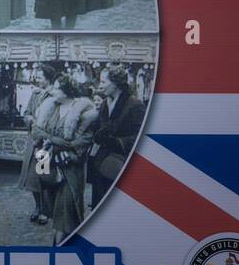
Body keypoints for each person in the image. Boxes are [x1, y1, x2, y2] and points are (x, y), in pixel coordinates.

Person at [41, 74, 99, 245]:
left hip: (70, 168)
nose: (53, 91)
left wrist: (66, 149)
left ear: (66, 92)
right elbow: (40, 133)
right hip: (50, 164)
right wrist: (50, 143)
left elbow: (85, 141)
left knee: (66, 209)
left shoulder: (84, 112)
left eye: (57, 87)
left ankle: (59, 247)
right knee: (53, 206)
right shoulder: (53, 108)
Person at [89, 66, 147, 207]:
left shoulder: (134, 105)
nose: (100, 85)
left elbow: (142, 137)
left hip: (122, 163)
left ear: (115, 83)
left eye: (103, 82)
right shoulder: (104, 104)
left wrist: (117, 142)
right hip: (102, 163)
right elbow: (99, 128)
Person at [17, 63, 58, 225]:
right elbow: (26, 113)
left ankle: (46, 210)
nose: (36, 79)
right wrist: (32, 120)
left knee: (44, 177)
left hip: (45, 144)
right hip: (33, 141)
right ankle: (37, 207)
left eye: (39, 77)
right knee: (32, 178)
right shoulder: (35, 94)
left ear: (48, 78)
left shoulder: (55, 95)